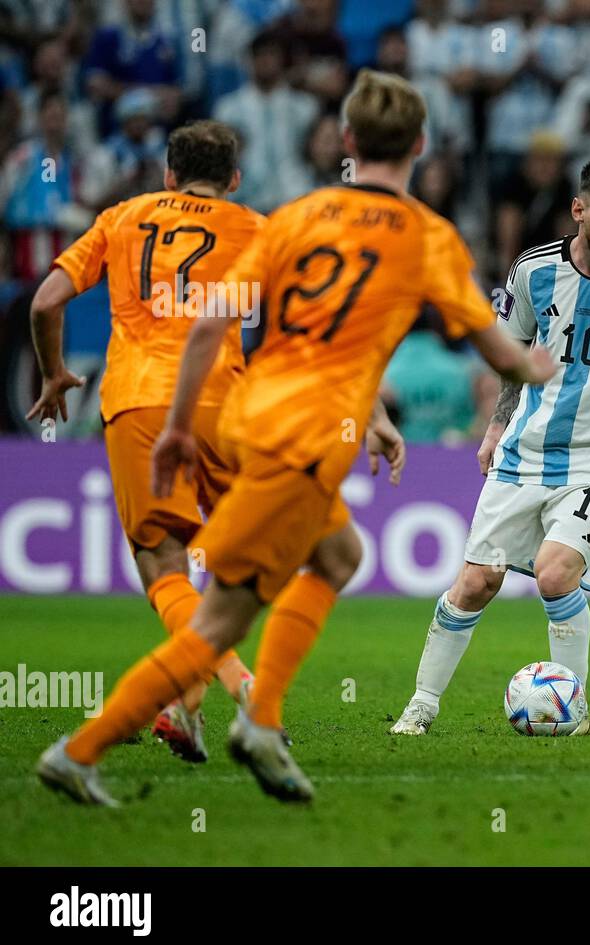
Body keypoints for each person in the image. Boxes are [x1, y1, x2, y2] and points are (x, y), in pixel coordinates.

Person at [36, 70, 555, 806]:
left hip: (256, 416)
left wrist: (180, 429)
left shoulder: (298, 216)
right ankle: (80, 751)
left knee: (339, 553)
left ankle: (261, 722)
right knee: (216, 624)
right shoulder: (428, 237)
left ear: (346, 141)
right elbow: (496, 349)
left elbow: (217, 322)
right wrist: (536, 362)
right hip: (304, 439)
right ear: (419, 144)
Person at [390, 153, 590, 737]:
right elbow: (511, 357)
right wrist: (494, 426)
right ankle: (422, 704)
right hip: (525, 449)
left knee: (555, 573)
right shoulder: (533, 272)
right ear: (578, 209)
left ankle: (574, 709)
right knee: (476, 583)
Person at [27, 119, 262, 762]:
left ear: (167, 174)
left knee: (164, 567)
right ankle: (184, 705)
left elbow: (46, 302)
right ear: (234, 179)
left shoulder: (122, 217)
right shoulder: (254, 226)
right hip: (226, 405)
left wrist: (53, 374)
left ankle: (242, 682)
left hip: (138, 401)